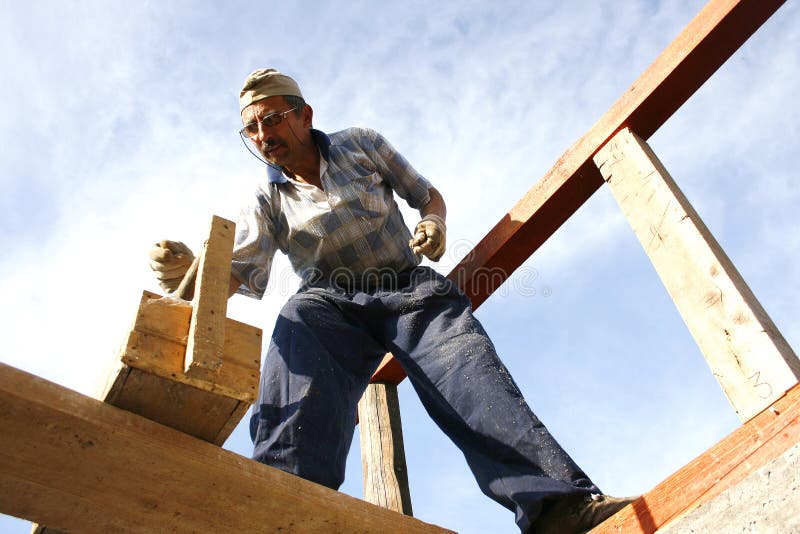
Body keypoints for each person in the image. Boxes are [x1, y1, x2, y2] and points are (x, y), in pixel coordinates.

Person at [149, 68, 634, 533]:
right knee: (298, 319)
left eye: (272, 119)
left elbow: (426, 194)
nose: (263, 136)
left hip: (407, 288)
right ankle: (282, 503)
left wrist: (434, 222)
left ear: (304, 115)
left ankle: (554, 509)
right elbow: (236, 271)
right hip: (333, 303)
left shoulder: (360, 144)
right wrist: (193, 277)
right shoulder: (266, 199)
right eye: (251, 129)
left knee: (468, 373)